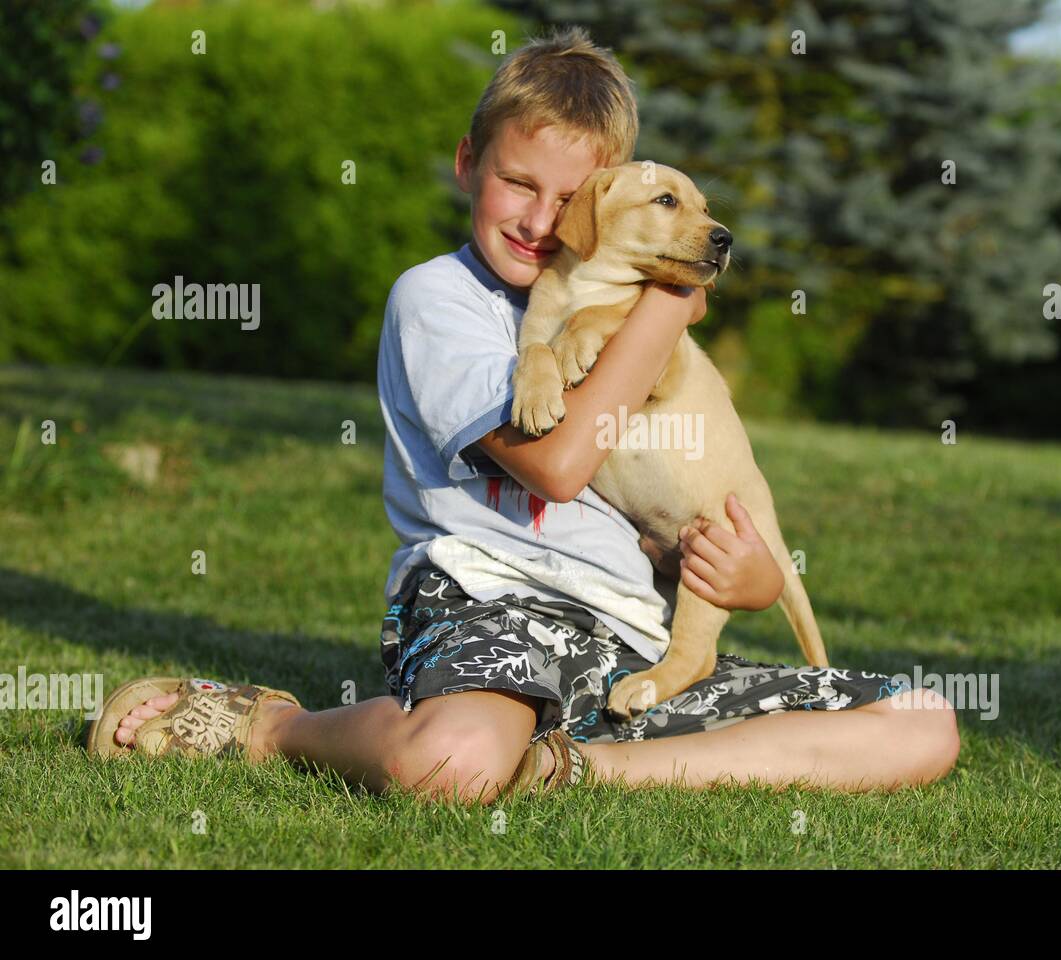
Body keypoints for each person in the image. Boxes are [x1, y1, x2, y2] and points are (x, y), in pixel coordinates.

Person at [87, 26, 959, 804]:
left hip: (632, 637)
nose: (544, 221)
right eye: (516, 183)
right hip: (487, 604)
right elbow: (557, 464)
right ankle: (271, 725)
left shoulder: (615, 299)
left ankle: (571, 765)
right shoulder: (437, 301)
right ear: (469, 164)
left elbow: (688, 506)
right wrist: (668, 304)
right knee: (455, 764)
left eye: (572, 199)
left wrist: (753, 580)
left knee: (924, 722)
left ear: (607, 197)